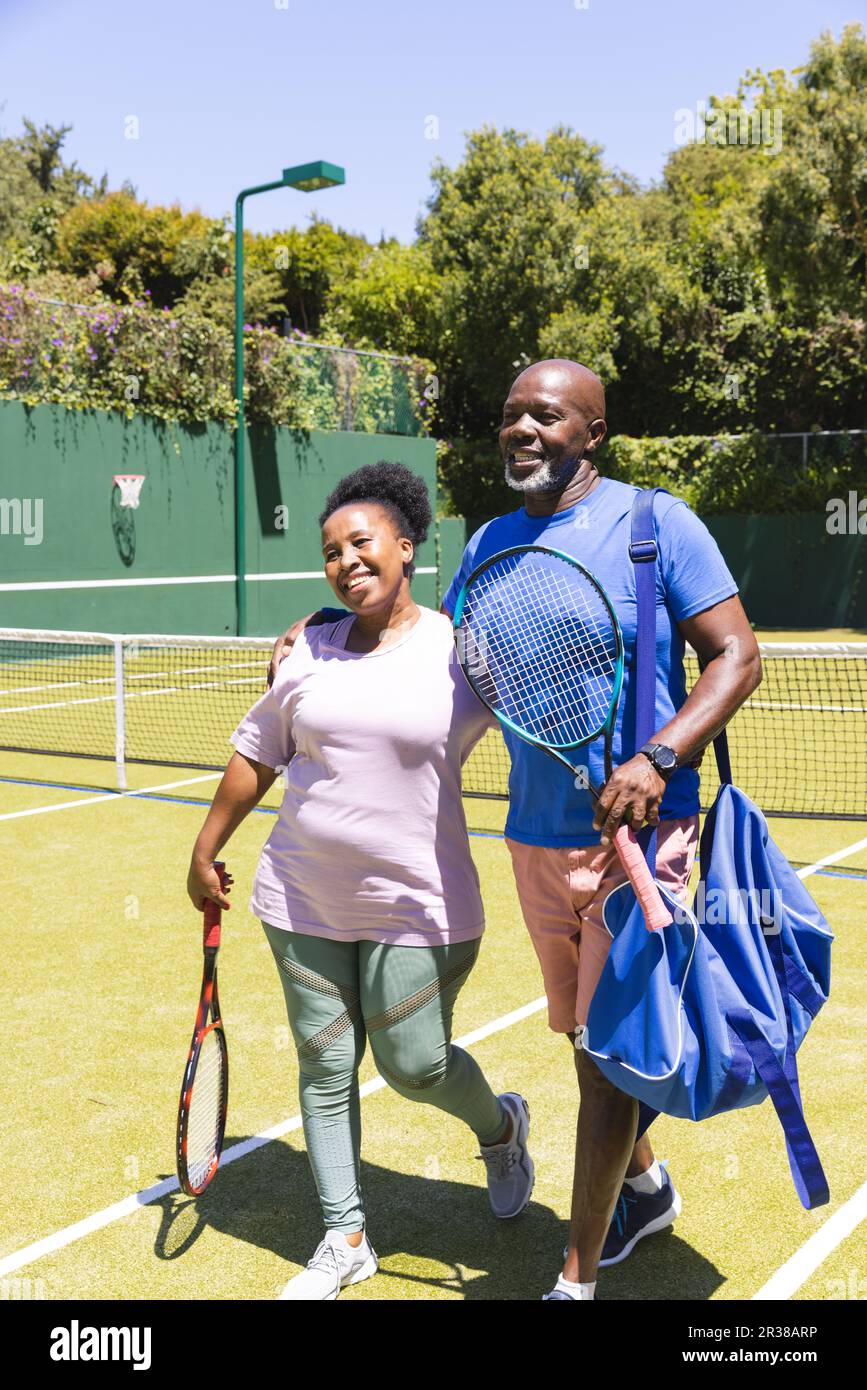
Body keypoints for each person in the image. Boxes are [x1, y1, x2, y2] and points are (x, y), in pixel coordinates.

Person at [271, 359, 762, 1302]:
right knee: (586, 1043)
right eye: (510, 415)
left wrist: (657, 757)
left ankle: (573, 1278)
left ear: (592, 433)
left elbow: (735, 656)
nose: (523, 430)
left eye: (546, 414)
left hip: (642, 839)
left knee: (610, 1056)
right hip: (534, 838)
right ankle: (645, 1187)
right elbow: (435, 654)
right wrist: (330, 620)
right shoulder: (491, 540)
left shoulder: (658, 523)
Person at [188, 462, 534, 1302]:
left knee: (415, 1065)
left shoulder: (462, 649)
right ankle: (344, 1238)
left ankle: (500, 1127)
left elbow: (545, 715)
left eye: (362, 543)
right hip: (299, 894)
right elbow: (258, 753)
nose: (345, 561)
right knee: (325, 1066)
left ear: (406, 548)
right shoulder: (305, 646)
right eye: (330, 552)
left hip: (422, 901)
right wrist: (204, 849)